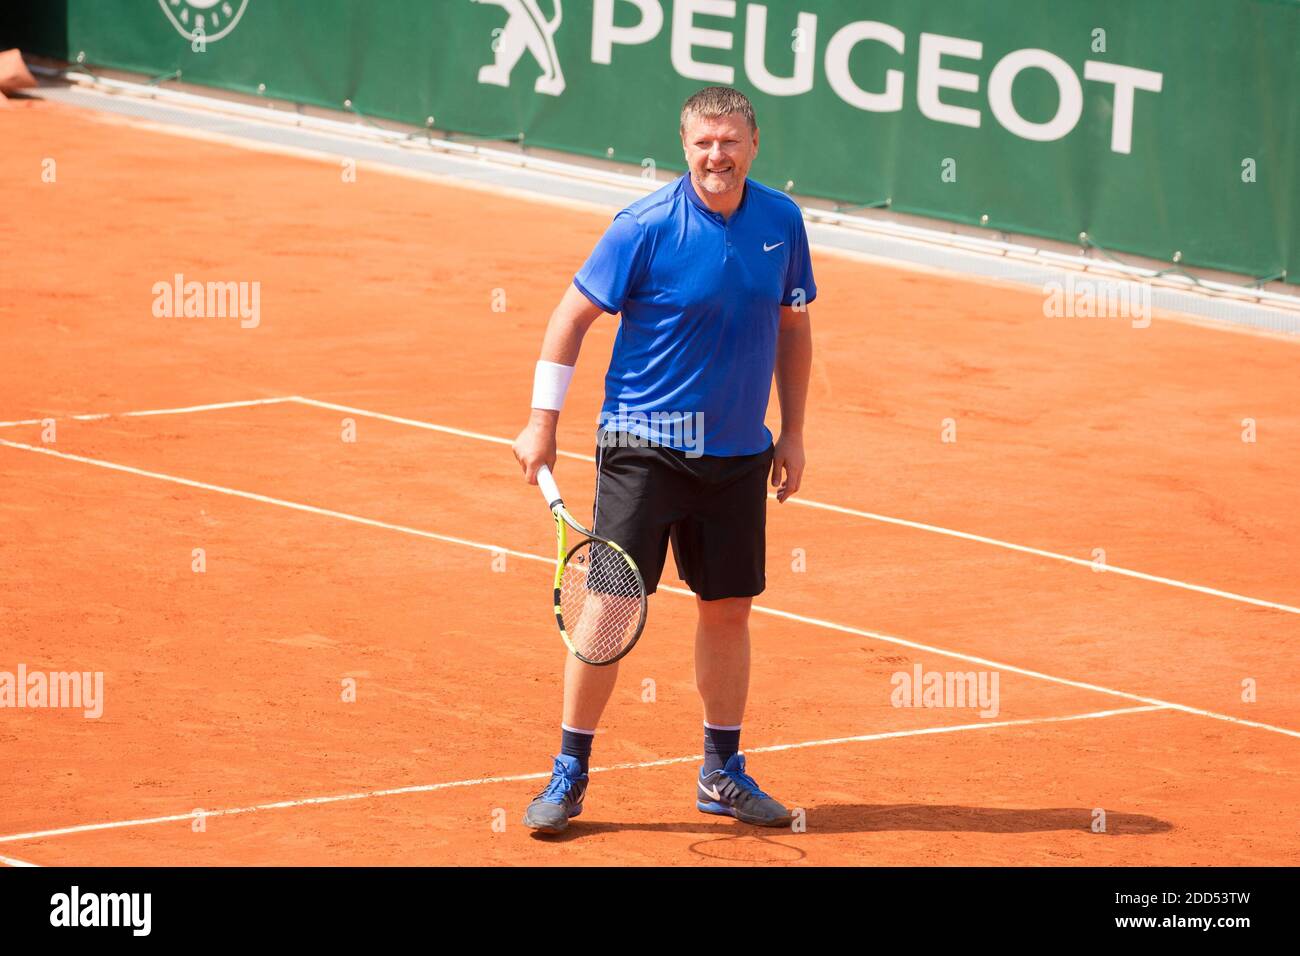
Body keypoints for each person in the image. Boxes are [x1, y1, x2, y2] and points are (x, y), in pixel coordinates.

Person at [511, 85, 816, 833]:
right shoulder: (641, 227)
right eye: (703, 143)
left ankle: (722, 773)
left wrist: (795, 431)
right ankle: (570, 770)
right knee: (610, 611)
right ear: (685, 148)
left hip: (740, 454)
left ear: (753, 145)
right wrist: (539, 423)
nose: (717, 155)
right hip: (644, 448)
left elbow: (793, 325)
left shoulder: (782, 222)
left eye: (730, 141)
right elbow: (570, 318)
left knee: (728, 611)